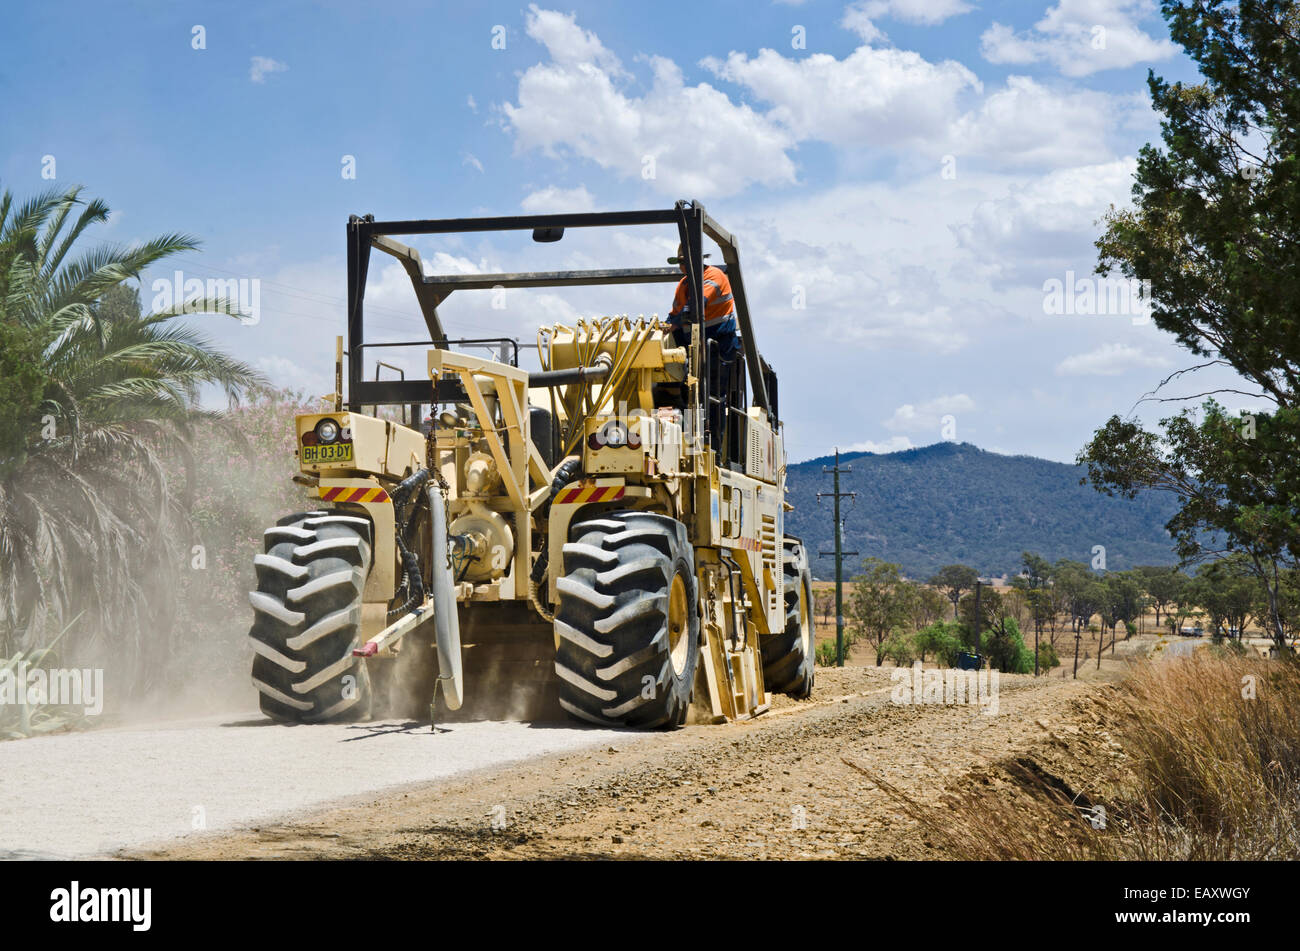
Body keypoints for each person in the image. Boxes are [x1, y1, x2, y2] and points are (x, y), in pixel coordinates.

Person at [664, 244, 741, 363]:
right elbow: (675, 314)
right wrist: (665, 326)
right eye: (680, 262)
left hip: (719, 345)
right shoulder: (683, 284)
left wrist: (674, 324)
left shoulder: (714, 275)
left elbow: (696, 304)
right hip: (693, 347)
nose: (681, 266)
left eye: (685, 262)